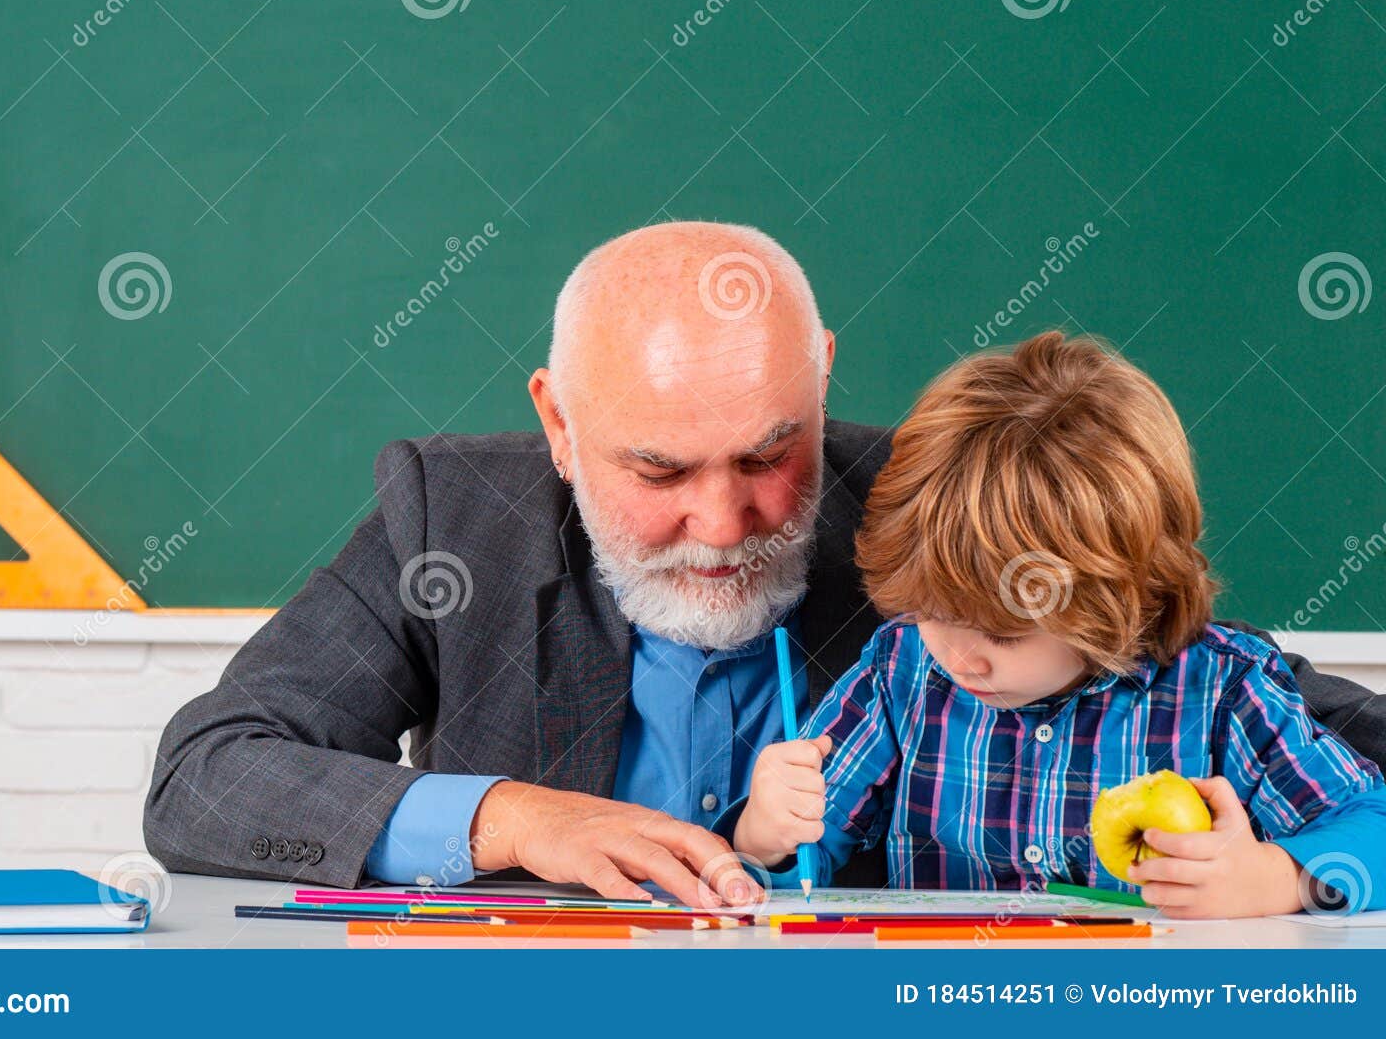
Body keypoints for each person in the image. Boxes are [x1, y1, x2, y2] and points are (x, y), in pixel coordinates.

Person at [143, 222, 1386, 908]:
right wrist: (515, 817)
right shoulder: (450, 520)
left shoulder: (940, 518)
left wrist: (1286, 872)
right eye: (659, 471)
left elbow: (1267, 707)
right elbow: (207, 778)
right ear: (560, 428)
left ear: (822, 382)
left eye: (767, 453)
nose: (728, 522)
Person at [732, 332, 1386, 916]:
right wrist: (767, 839)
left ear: (1120, 595)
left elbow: (1370, 822)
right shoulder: (899, 672)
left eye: (1004, 633)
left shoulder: (1219, 690)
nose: (961, 659)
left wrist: (1280, 878)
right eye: (931, 613)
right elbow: (804, 879)